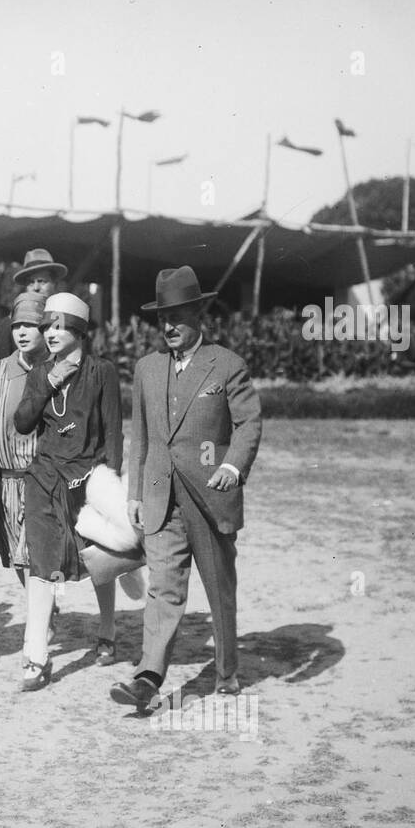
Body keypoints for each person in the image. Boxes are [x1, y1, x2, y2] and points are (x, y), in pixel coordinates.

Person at [111, 266, 263, 712]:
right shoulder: (147, 369)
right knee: (163, 588)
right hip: (160, 500)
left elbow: (249, 421)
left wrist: (233, 467)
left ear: (199, 313)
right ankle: (147, 677)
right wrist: (135, 493)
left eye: (178, 315)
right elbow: (140, 435)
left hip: (210, 498)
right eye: (163, 316)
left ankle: (227, 670)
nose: (169, 325)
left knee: (219, 590)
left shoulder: (227, 364)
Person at [13, 292, 123, 691]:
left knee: (98, 557)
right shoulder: (40, 372)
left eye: (59, 326)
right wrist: (46, 384)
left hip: (88, 480)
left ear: (79, 331)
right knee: (41, 566)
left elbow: (113, 432)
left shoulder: (102, 372)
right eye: (47, 326)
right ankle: (35, 655)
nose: (51, 333)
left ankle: (108, 632)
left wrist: (111, 486)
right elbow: (22, 422)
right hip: (43, 479)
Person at [0, 291, 48, 587]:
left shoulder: (57, 368)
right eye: (17, 326)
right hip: (5, 482)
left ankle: (41, 619)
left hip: (42, 482)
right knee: (17, 556)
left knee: (39, 555)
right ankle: (43, 610)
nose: (21, 332)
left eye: (30, 325)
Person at [0, 248, 67, 367]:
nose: (36, 287)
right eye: (31, 282)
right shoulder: (10, 323)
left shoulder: (65, 321)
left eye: (42, 281)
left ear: (54, 284)